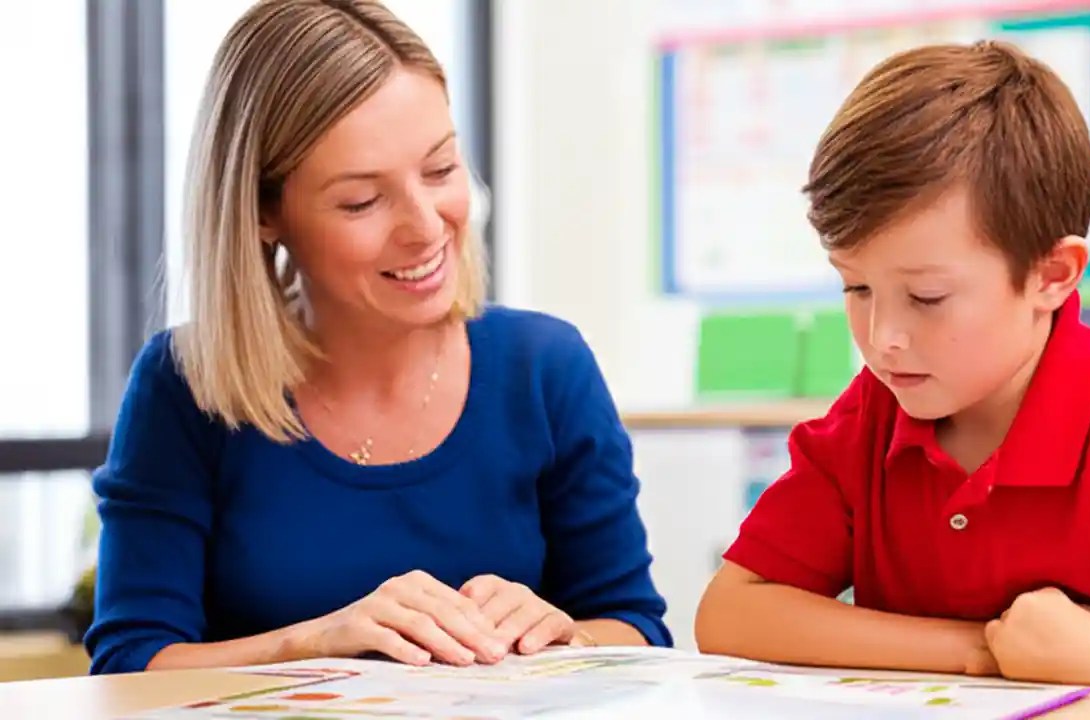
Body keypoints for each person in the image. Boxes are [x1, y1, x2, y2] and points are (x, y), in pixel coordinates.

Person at [694, 40, 1090, 719]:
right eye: (855, 286)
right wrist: (983, 649)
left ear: (1051, 275)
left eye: (928, 298)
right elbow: (733, 612)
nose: (882, 337)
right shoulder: (872, 419)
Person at [86, 0, 669, 675]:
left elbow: (638, 630)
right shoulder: (187, 385)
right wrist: (313, 642)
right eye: (362, 200)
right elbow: (130, 667)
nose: (426, 226)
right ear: (264, 212)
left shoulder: (545, 370)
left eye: (442, 169)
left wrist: (565, 637)